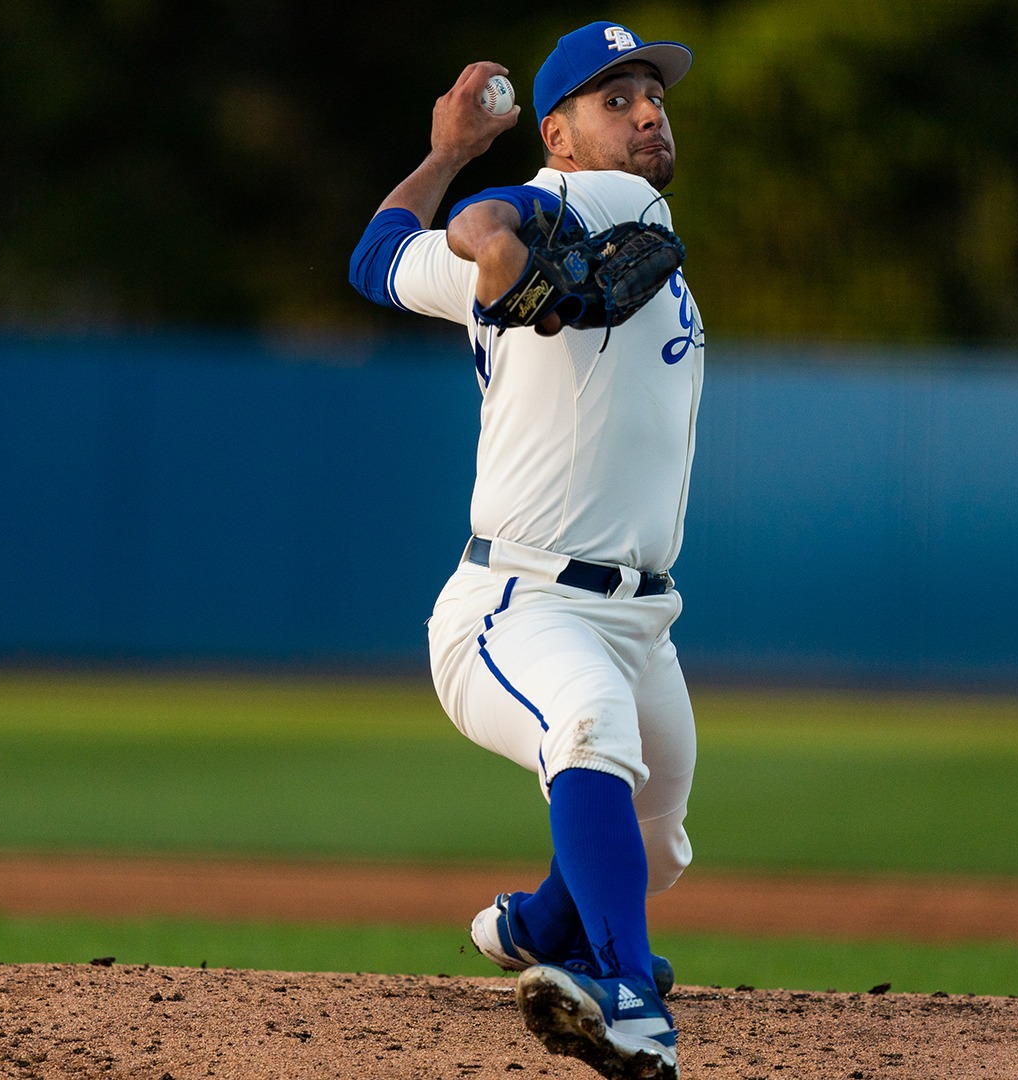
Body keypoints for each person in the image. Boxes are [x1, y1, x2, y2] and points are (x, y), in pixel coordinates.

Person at [348, 21, 702, 1080]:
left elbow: (376, 257)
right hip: (522, 605)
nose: (647, 112)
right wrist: (487, 214)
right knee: (588, 734)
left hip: (643, 618)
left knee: (657, 849)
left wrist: (452, 152)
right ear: (559, 133)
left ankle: (539, 931)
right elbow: (507, 215)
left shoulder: (613, 219)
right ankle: (630, 1002)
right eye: (616, 99)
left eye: (654, 94)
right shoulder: (589, 200)